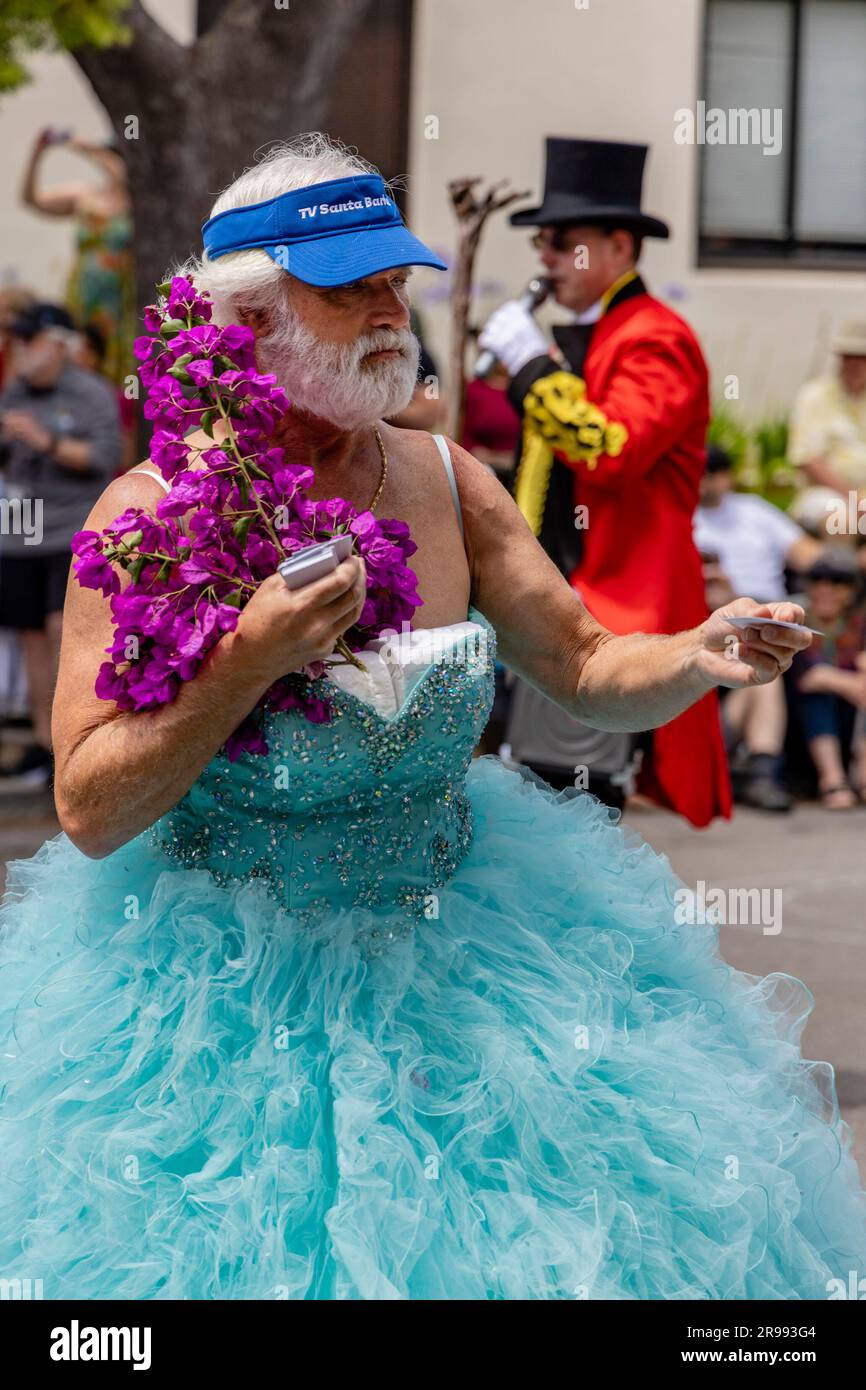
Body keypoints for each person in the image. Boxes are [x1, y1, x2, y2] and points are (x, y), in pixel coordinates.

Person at [0, 135, 862, 1301]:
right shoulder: (148, 515)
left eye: (393, 282)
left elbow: (588, 659)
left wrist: (699, 650)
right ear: (248, 316)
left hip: (475, 952)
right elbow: (89, 807)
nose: (387, 312)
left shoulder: (447, 478)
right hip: (216, 998)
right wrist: (246, 661)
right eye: (348, 286)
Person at [478, 138, 729, 827]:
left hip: (621, 598)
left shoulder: (656, 336)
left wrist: (531, 365)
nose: (545, 256)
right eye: (542, 242)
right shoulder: (594, 333)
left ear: (618, 248)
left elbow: (610, 449)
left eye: (562, 241)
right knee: (538, 792)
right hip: (563, 593)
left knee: (573, 801)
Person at [0, 302, 121, 788]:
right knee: (29, 636)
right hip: (18, 529)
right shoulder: (12, 392)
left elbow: (105, 457)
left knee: (60, 633)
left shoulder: (92, 393)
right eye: (19, 342)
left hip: (73, 529)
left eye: (31, 341)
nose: (22, 351)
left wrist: (45, 440)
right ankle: (40, 746)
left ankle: (71, 743)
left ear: (58, 344)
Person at [694, 444, 820, 811]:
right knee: (758, 662)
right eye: (700, 471)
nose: (705, 481)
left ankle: (759, 770)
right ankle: (760, 772)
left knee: (762, 656)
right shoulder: (676, 516)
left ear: (728, 474)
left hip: (770, 618)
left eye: (713, 471)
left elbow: (812, 557)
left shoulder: (755, 513)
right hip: (704, 625)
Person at [20, 128, 136, 386]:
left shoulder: (135, 201)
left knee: (114, 364)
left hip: (117, 301)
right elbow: (31, 200)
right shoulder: (86, 196)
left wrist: (80, 144)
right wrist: (37, 154)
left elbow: (120, 172)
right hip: (83, 293)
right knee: (77, 354)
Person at [786, 547, 866, 809]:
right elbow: (809, 678)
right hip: (800, 737)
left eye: (837, 581)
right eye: (817, 579)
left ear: (852, 590)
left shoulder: (859, 626)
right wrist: (851, 682)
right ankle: (832, 779)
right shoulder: (793, 623)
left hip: (848, 731)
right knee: (818, 694)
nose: (825, 588)